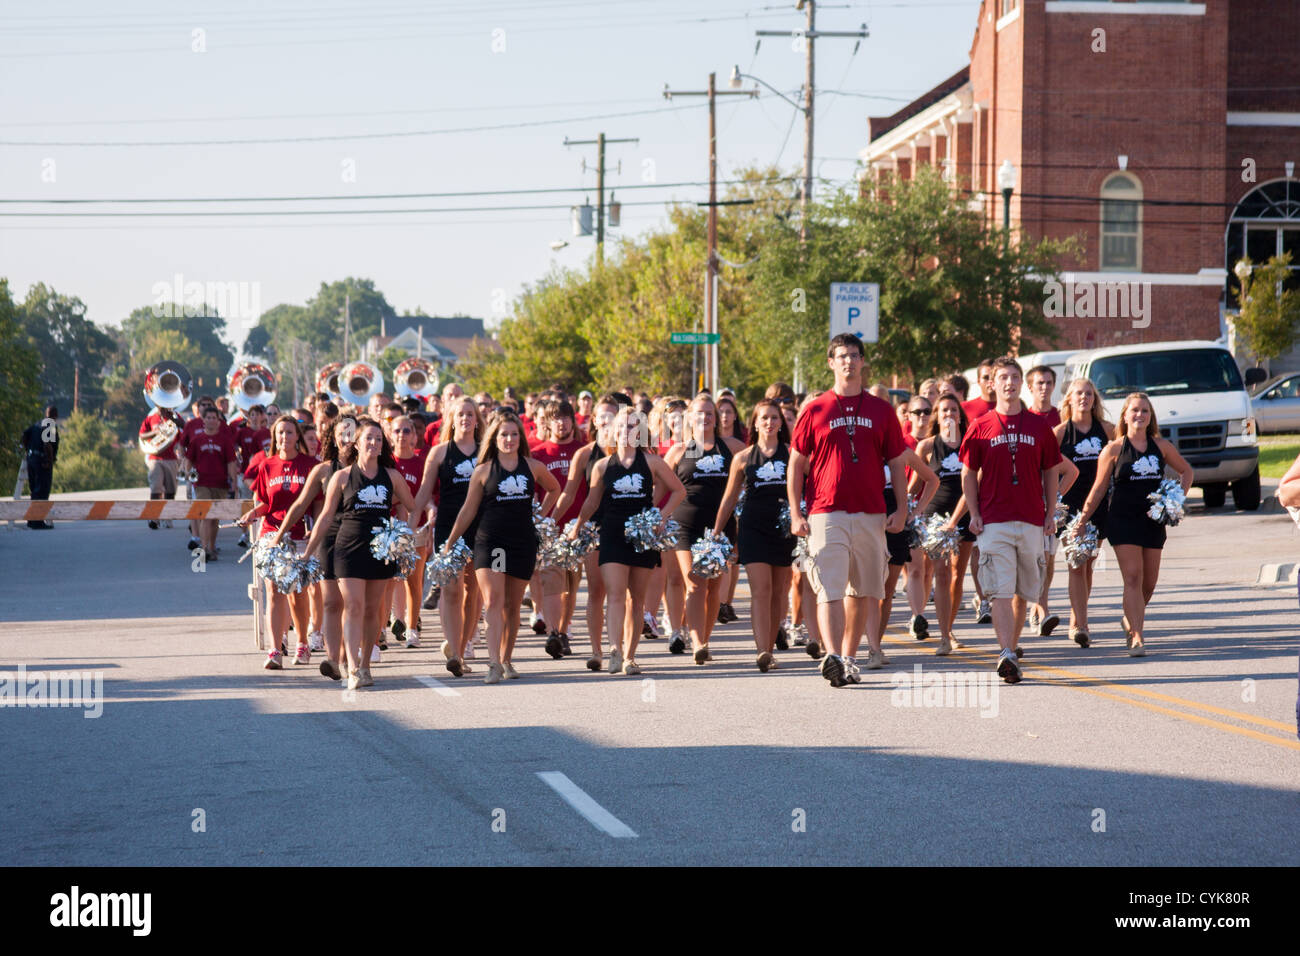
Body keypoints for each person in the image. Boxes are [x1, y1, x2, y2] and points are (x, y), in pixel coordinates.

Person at [789, 335, 908, 687]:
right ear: (831, 362)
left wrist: (901, 509)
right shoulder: (815, 409)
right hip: (826, 512)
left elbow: (898, 464)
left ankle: (850, 657)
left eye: (855, 356)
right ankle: (834, 656)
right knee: (830, 588)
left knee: (864, 591)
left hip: (872, 511)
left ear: (862, 362)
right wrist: (797, 512)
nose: (849, 362)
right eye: (842, 356)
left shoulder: (881, 410)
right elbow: (796, 464)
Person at [958, 356, 1062, 684]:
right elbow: (968, 473)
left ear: (1022, 384)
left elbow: (1050, 472)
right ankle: (1005, 651)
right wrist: (974, 513)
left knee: (1023, 591)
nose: (1009, 383)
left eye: (1015, 377)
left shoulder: (1038, 426)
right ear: (992, 384)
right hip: (995, 520)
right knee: (1000, 590)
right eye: (1003, 377)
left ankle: (1012, 649)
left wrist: (1050, 512)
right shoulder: (981, 426)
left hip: (1031, 519)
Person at [438, 410, 561, 684]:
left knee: (513, 605)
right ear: (494, 438)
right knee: (493, 600)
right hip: (492, 542)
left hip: (523, 541)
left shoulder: (532, 466)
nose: (509, 439)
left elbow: (554, 488)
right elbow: (468, 510)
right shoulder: (482, 471)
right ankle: (493, 663)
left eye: (514, 434)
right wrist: (450, 541)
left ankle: (506, 659)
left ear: (520, 437)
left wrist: (539, 515)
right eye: (504, 434)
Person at [304, 418, 419, 690]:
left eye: (379, 439)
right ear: (356, 443)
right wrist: (309, 552)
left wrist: (402, 536)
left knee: (372, 611)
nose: (374, 443)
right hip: (348, 547)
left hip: (380, 548)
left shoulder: (392, 476)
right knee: (353, 605)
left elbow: (413, 505)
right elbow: (325, 517)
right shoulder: (342, 477)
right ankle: (352, 667)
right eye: (368, 438)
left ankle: (365, 665)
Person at [1077, 392, 1193, 657]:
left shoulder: (1162, 447)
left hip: (1153, 520)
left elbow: (1187, 471)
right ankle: (1136, 636)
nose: (1139, 415)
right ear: (1125, 416)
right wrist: (1083, 519)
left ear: (1150, 417)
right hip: (1121, 519)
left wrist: (1174, 499)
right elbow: (1098, 489)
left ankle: (1131, 619)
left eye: (1145, 411)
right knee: (1132, 576)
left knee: (1148, 584)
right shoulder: (1113, 449)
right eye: (1135, 410)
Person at [572, 406, 684, 674]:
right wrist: (577, 525)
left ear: (641, 431)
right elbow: (591, 501)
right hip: (611, 534)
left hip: (642, 537)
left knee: (637, 598)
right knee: (615, 593)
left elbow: (678, 490)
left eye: (633, 426)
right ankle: (614, 650)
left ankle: (630, 657)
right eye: (621, 426)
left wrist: (661, 515)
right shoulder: (601, 466)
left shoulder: (653, 462)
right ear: (612, 430)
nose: (626, 431)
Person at [713, 399, 796, 671]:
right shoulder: (743, 457)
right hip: (753, 527)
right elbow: (727, 499)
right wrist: (716, 531)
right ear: (755, 423)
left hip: (784, 529)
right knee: (761, 590)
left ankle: (770, 648)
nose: (770, 422)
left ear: (780, 423)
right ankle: (762, 650)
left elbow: (809, 487)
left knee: (779, 591)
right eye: (764, 418)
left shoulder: (792, 454)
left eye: (774, 418)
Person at [273, 415, 358, 679]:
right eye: (342, 433)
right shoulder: (322, 470)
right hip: (330, 541)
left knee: (354, 603)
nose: (347, 438)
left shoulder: (369, 468)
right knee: (332, 602)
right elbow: (299, 505)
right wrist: (279, 534)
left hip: (359, 540)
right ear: (333, 438)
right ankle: (333, 660)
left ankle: (352, 656)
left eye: (352, 433)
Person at [664, 395, 746, 664]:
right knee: (694, 582)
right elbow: (661, 488)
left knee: (714, 586)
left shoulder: (733, 448)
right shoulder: (677, 451)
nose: (706, 417)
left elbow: (748, 482)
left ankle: (705, 639)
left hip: (721, 525)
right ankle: (697, 642)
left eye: (710, 413)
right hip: (686, 524)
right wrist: (656, 518)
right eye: (700, 413)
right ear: (690, 417)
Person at [238, 415, 320, 669]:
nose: (284, 437)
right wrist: (252, 513)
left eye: (289, 432)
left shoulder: (310, 465)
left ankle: (303, 642)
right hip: (272, 535)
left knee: (297, 591)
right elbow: (265, 501)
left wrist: (315, 527)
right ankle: (275, 650)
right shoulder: (267, 465)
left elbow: (317, 501)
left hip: (298, 537)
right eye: (280, 433)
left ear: (298, 436)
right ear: (275, 437)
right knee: (273, 591)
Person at [411, 396, 485, 677]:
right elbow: (423, 494)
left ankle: (462, 647)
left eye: (470, 414)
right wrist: (410, 523)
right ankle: (454, 651)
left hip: (480, 528)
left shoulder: (487, 452)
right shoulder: (439, 453)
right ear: (451, 419)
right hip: (448, 528)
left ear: (477, 420)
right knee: (452, 590)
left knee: (473, 593)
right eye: (460, 414)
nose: (465, 418)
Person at [553, 395, 621, 667]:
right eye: (602, 416)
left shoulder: (633, 453)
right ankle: (597, 651)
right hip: (594, 528)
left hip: (625, 528)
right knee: (597, 590)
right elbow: (568, 494)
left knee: (622, 592)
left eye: (612, 416)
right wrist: (548, 521)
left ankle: (621, 648)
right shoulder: (584, 454)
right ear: (594, 420)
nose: (607, 421)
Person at [1053, 377, 1114, 647]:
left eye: (1089, 394)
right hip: (1070, 506)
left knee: (1088, 564)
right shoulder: (1060, 433)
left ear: (1095, 400)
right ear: (1068, 399)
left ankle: (1075, 618)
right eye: (1079, 393)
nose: (1084, 398)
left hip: (1099, 504)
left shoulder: (1108, 430)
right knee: (1076, 565)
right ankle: (1081, 624)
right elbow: (1046, 469)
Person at [919, 394, 975, 655]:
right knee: (940, 574)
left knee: (957, 575)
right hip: (936, 515)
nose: (949, 414)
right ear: (937, 415)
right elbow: (916, 486)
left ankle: (949, 628)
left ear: (960, 415)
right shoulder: (928, 447)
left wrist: (959, 519)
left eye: (954, 409)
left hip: (962, 513)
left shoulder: (969, 444)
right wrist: (911, 512)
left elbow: (972, 483)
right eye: (944, 410)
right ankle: (943, 636)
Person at [532, 400, 586, 657]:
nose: (561, 423)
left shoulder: (583, 451)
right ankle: (554, 632)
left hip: (579, 529)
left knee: (571, 587)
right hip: (551, 529)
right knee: (552, 582)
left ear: (572, 421)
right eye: (556, 418)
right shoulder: (540, 453)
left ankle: (564, 630)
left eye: (565, 418)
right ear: (547, 422)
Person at [389, 414, 430, 648]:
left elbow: (429, 496)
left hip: (417, 529)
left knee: (414, 581)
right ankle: (384, 627)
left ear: (414, 436)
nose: (402, 435)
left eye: (407, 431)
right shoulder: (385, 462)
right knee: (386, 582)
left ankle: (412, 629)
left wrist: (430, 510)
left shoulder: (422, 463)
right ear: (390, 434)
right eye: (397, 431)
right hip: (389, 530)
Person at [184, 406, 239, 560]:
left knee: (214, 518)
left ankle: (212, 547)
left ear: (218, 421)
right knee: (206, 516)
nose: (211, 420)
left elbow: (231, 463)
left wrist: (233, 482)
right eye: (208, 417)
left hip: (220, 484)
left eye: (214, 418)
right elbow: (188, 460)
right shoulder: (197, 440)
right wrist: (188, 474)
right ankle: (204, 548)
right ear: (203, 420)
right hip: (201, 484)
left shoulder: (225, 441)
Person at [139, 402, 183, 530]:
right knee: (156, 489)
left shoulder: (175, 417)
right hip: (155, 458)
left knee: (170, 490)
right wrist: (156, 432)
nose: (163, 407)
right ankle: (154, 517)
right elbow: (142, 435)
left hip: (171, 459)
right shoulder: (150, 418)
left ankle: (167, 517)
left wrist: (173, 420)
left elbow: (184, 430)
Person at [20, 406, 59, 530]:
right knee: (42, 491)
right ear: (55, 415)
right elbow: (47, 444)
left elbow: (24, 436)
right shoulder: (50, 424)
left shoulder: (37, 424)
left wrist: (28, 451)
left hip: (31, 460)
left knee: (34, 490)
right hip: (42, 461)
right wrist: (49, 460)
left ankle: (31, 520)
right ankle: (38, 522)